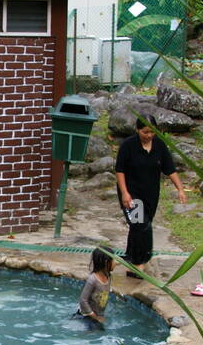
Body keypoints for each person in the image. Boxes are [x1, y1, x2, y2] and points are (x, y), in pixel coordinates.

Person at [114, 117, 186, 278]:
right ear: (137, 130)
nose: (148, 135)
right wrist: (125, 193)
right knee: (142, 226)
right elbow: (120, 170)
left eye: (152, 132)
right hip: (132, 194)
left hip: (151, 194)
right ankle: (138, 265)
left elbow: (170, 169)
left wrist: (180, 189)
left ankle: (130, 254)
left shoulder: (159, 145)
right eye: (144, 132)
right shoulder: (128, 146)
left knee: (140, 224)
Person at [77, 248, 115, 325]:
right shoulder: (93, 279)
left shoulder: (108, 276)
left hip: (98, 314)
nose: (115, 263)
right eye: (113, 261)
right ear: (106, 262)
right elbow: (83, 300)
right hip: (87, 315)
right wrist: (95, 317)